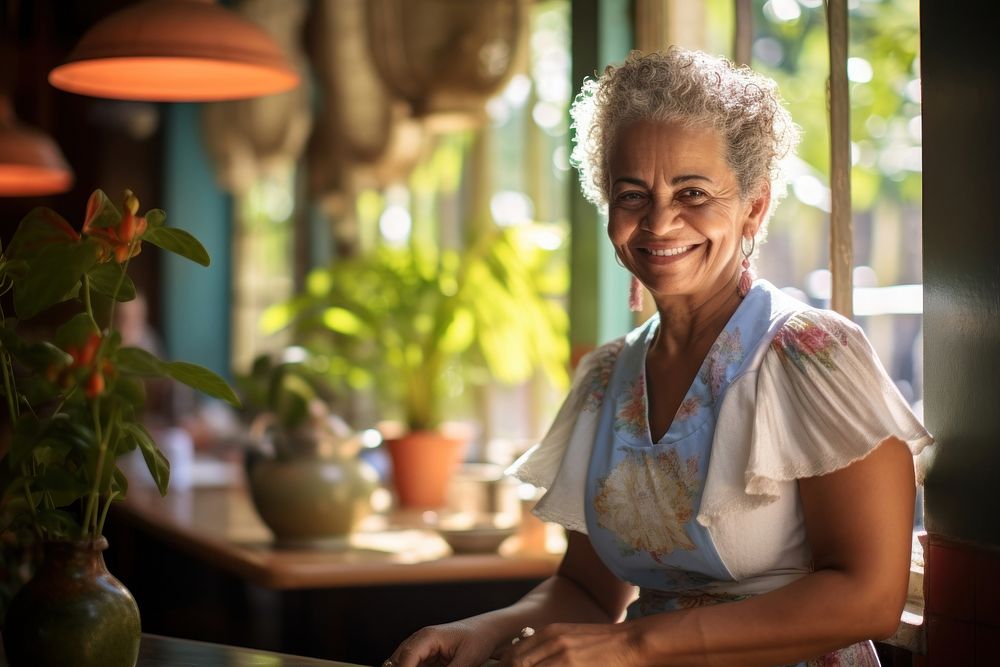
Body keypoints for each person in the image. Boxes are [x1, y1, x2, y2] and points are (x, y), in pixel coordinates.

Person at [384, 47, 932, 667]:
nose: (660, 222)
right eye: (632, 195)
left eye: (692, 192)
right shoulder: (606, 378)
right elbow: (587, 593)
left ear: (753, 206)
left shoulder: (808, 356)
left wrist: (634, 643)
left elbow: (868, 598)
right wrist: (479, 631)